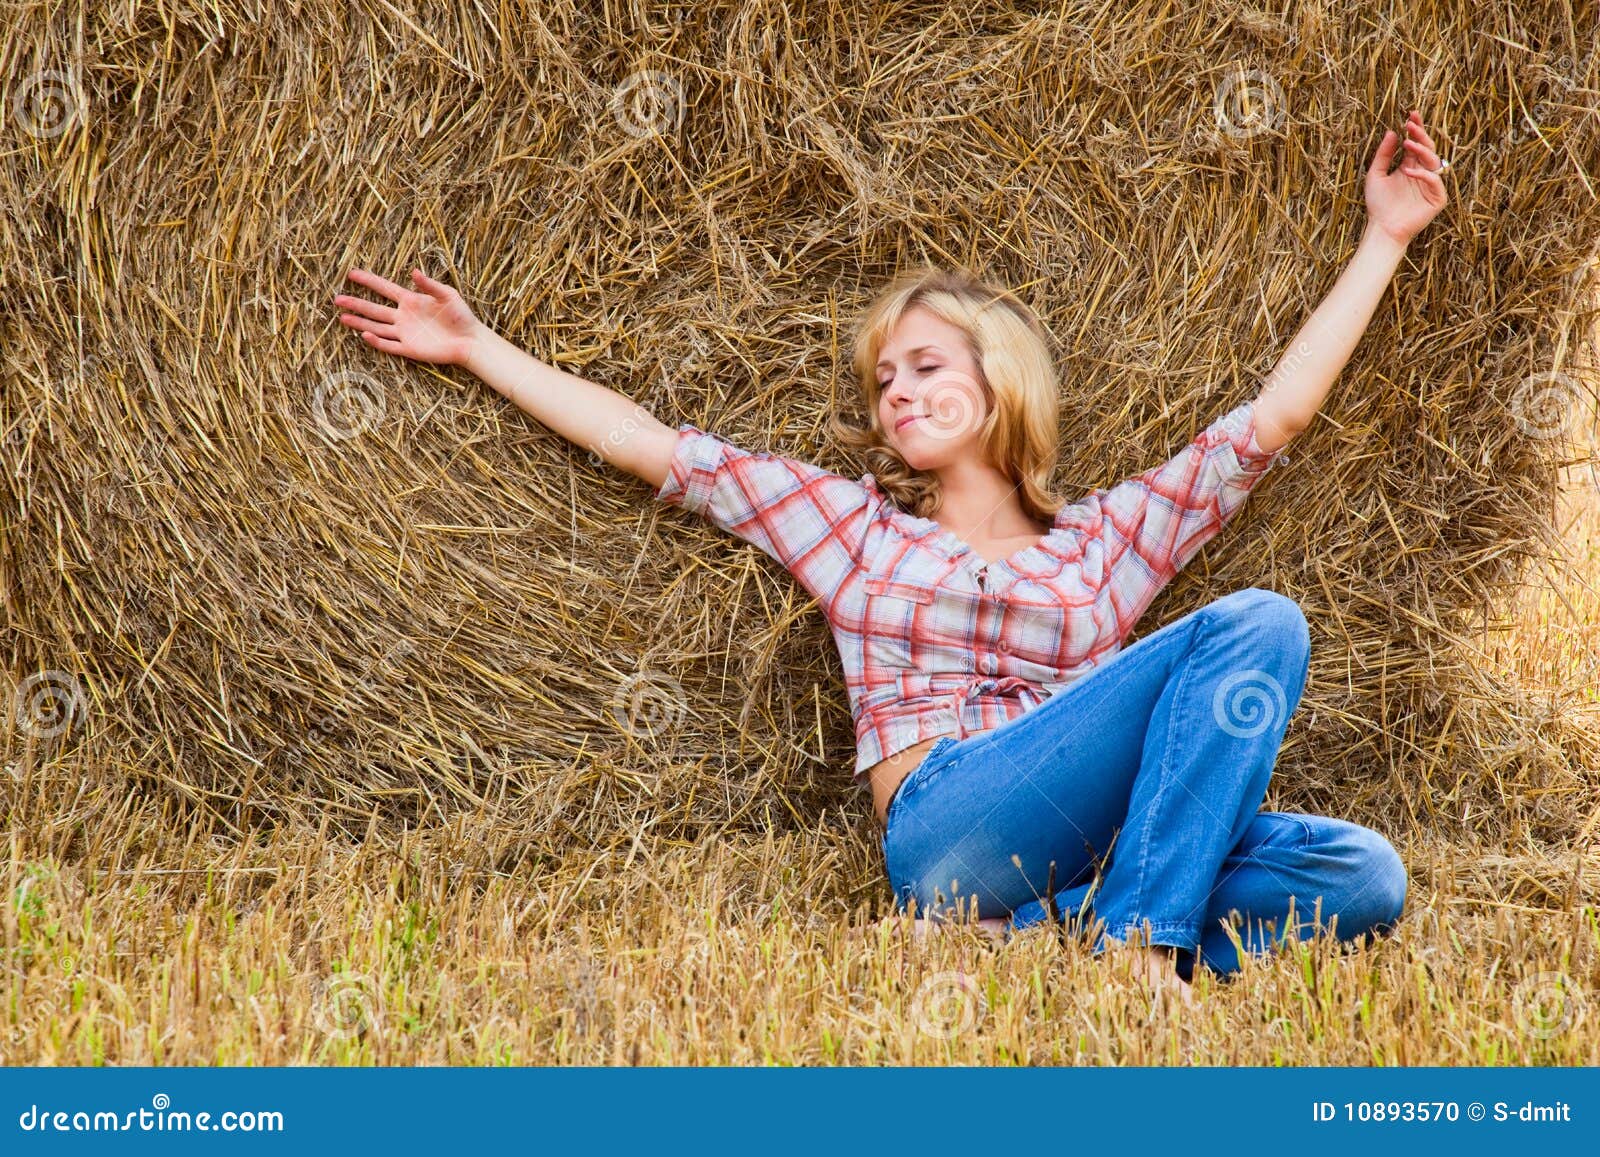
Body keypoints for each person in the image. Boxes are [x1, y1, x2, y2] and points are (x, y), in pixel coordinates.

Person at [331, 112, 1450, 1003]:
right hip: (949, 818)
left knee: (1361, 876)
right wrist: (478, 346)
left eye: (923, 365)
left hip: (1086, 846)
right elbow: (652, 447)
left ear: (1000, 373)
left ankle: (1070, 925)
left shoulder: (1106, 540)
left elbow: (1275, 420)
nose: (897, 393)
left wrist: (1384, 236)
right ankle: (1138, 956)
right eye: (883, 381)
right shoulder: (853, 527)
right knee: (1255, 621)